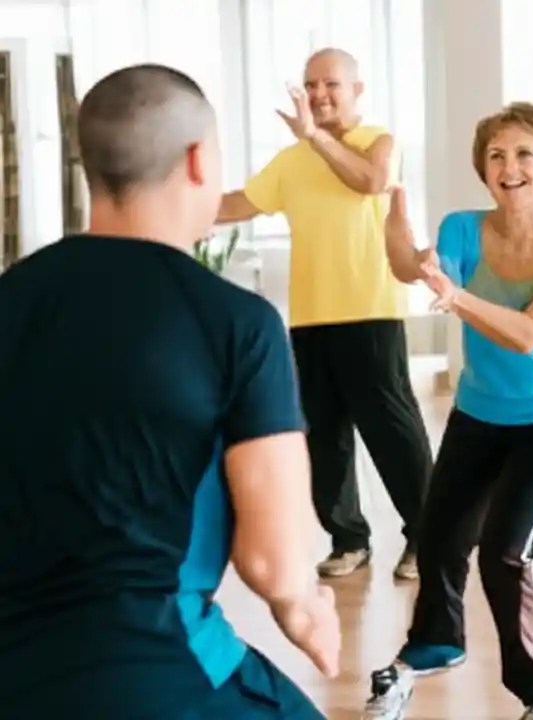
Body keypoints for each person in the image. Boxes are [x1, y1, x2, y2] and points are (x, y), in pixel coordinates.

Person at [0, 64, 337, 718]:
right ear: (197, 160)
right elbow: (273, 563)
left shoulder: (10, 301)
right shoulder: (237, 323)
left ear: (91, 165)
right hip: (153, 671)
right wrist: (305, 608)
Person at [363, 102, 533, 720]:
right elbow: (410, 267)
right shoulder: (463, 230)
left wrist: (457, 295)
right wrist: (395, 216)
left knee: (506, 549)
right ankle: (436, 643)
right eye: (496, 155)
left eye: (525, 154)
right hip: (479, 416)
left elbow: (527, 333)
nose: (510, 166)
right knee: (439, 538)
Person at [217, 47, 432, 581]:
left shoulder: (379, 143)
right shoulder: (291, 163)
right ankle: (348, 538)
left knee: (391, 430)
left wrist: (314, 136)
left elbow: (370, 182)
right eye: (311, 85)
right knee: (325, 434)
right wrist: (167, 196)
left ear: (357, 90)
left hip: (370, 310)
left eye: (330, 84)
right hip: (311, 318)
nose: (318, 94)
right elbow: (238, 204)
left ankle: (429, 537)